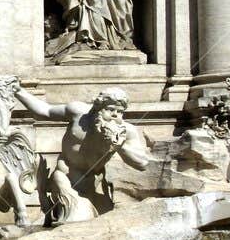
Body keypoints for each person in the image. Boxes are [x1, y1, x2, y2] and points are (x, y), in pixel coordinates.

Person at [13, 82, 152, 223]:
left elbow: (142, 163)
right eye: (110, 109)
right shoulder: (78, 114)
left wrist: (119, 146)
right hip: (65, 179)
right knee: (78, 221)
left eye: (120, 112)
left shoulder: (126, 131)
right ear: (98, 108)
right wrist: (18, 91)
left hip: (94, 186)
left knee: (104, 223)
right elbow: (45, 111)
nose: (115, 115)